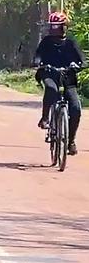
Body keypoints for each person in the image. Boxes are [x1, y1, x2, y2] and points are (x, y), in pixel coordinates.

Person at [34, 11, 86, 155]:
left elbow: (82, 59)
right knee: (51, 89)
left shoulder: (71, 43)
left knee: (75, 109)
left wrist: (79, 65)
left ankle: (71, 141)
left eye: (58, 26)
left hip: (68, 78)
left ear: (64, 27)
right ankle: (45, 118)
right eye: (53, 26)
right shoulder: (46, 42)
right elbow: (38, 56)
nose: (55, 29)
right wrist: (38, 63)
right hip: (50, 74)